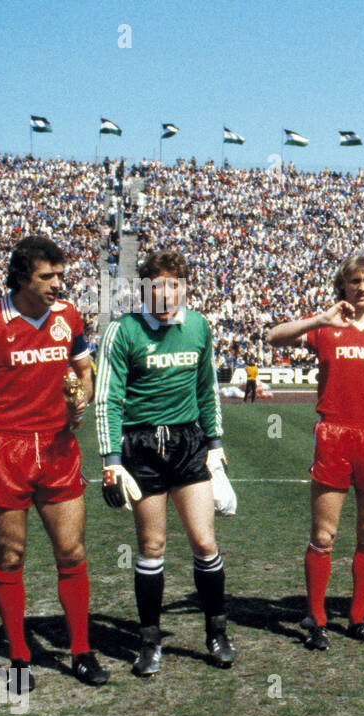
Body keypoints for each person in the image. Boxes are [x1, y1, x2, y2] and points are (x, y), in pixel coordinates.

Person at [0, 235, 108, 690]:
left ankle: (81, 651)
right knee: (11, 556)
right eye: (47, 277)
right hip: (7, 450)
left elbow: (84, 371)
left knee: (71, 551)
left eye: (60, 275)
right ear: (21, 278)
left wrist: (81, 396)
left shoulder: (67, 315)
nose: (58, 284)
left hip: (57, 448)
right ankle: (18, 656)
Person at [95, 249, 234, 676]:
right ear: (144, 287)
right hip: (141, 448)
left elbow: (207, 387)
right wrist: (111, 460)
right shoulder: (122, 330)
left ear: (184, 287)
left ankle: (217, 631)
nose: (166, 291)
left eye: (175, 283)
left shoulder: (198, 326)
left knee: (205, 543)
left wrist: (215, 445)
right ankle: (150, 641)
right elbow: (108, 398)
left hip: (188, 442)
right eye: (158, 283)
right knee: (152, 547)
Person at [266, 254, 364, 650]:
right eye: (354, 280)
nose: (361, 287)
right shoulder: (327, 325)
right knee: (324, 534)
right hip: (334, 434)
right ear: (343, 285)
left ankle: (359, 617)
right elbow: (272, 336)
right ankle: (316, 619)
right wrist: (317, 320)